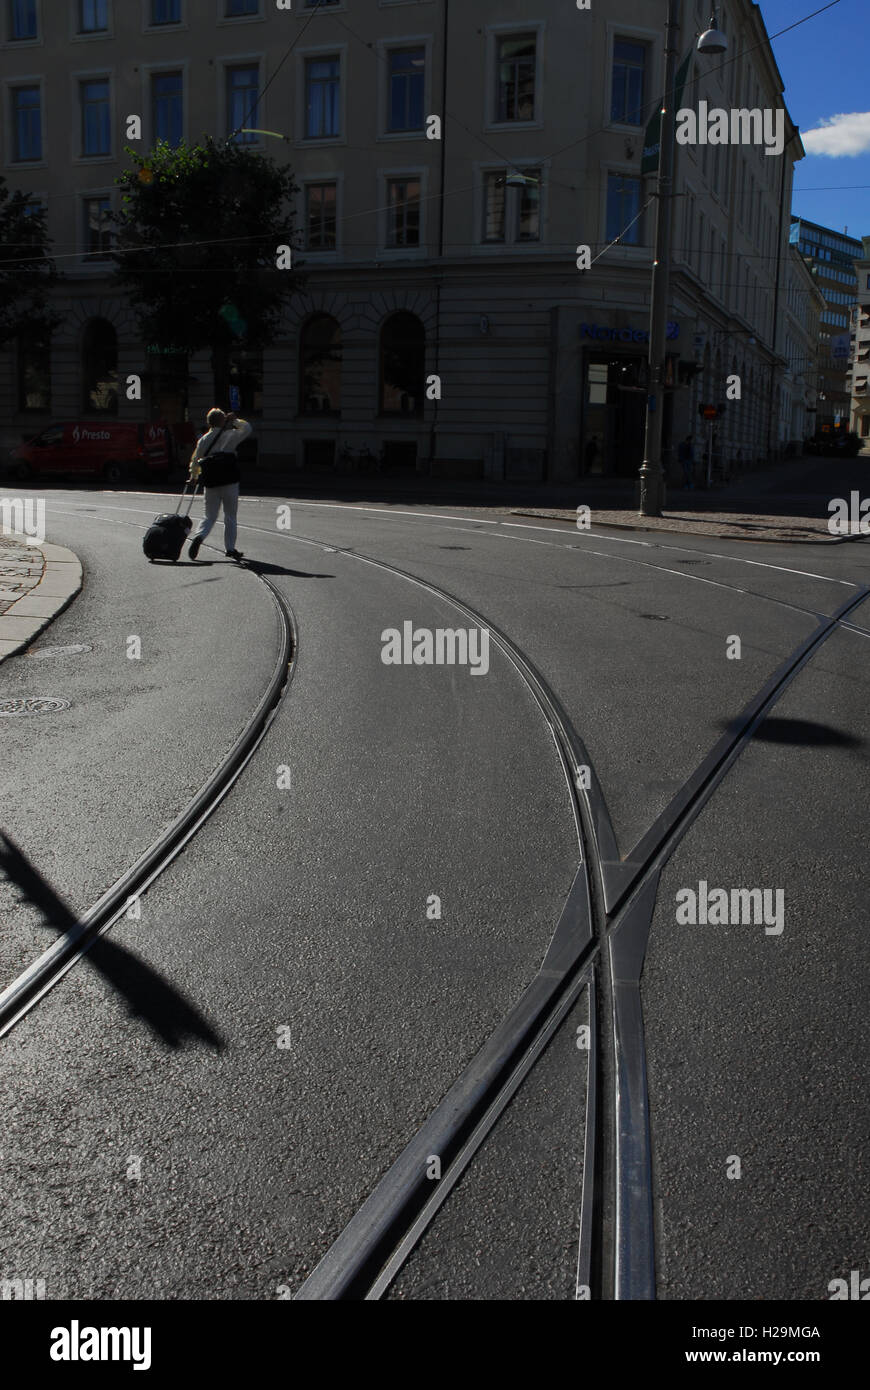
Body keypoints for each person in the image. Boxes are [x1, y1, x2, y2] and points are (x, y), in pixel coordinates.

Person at [186, 407, 253, 561]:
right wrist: (235, 420)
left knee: (209, 515)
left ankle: (199, 536)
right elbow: (247, 429)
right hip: (229, 481)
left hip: (211, 482)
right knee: (230, 516)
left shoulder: (203, 439)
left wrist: (194, 476)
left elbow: (195, 460)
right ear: (223, 421)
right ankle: (230, 548)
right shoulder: (230, 435)